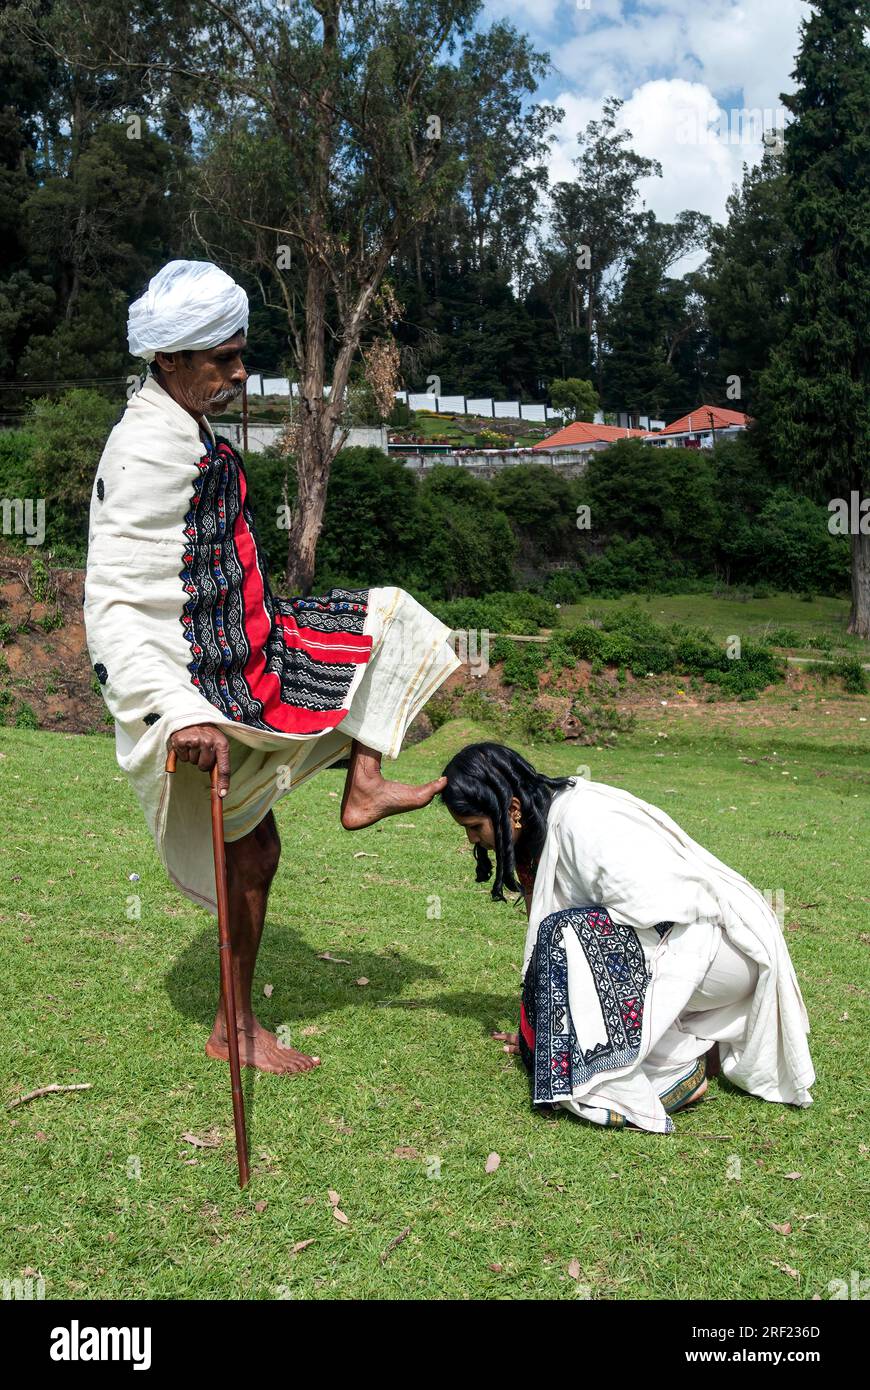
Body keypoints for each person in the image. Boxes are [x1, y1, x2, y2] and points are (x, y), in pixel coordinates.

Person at [83, 259, 461, 1076]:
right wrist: (176, 714)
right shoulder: (145, 449)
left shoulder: (188, 428)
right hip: (204, 691)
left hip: (257, 654)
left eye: (239, 352)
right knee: (249, 855)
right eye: (221, 358)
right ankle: (235, 1029)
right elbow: (115, 602)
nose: (238, 371)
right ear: (173, 359)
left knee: (390, 620)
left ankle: (362, 784)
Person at [440, 742, 815, 1133]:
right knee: (568, 941)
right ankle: (683, 1061)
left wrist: (567, 1022)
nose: (472, 841)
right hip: (692, 953)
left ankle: (663, 1080)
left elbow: (666, 907)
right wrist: (542, 1033)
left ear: (512, 810)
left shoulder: (583, 820)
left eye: (474, 828)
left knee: (568, 937)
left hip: (718, 954)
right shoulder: (545, 823)